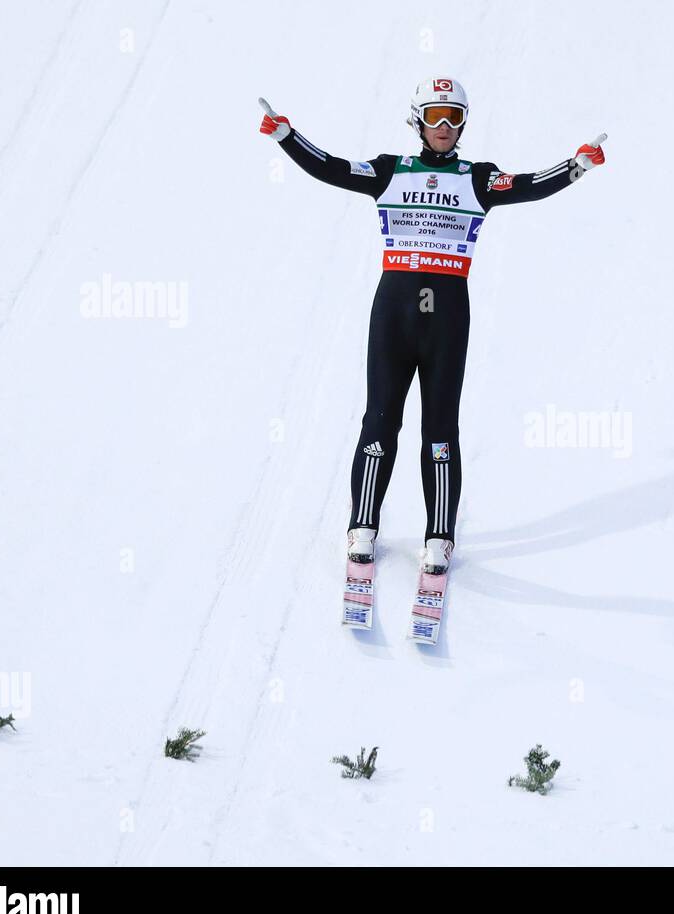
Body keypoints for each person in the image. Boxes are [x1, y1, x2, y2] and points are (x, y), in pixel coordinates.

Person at [259, 78, 605, 575]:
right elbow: (331, 168)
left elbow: (530, 185)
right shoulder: (389, 171)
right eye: (435, 116)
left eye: (454, 118)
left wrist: (577, 167)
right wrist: (286, 136)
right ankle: (362, 526)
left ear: (464, 123)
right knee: (379, 419)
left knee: (440, 429)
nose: (444, 127)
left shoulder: (478, 178)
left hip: (446, 320)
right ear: (417, 120)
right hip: (393, 315)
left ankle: (439, 536)